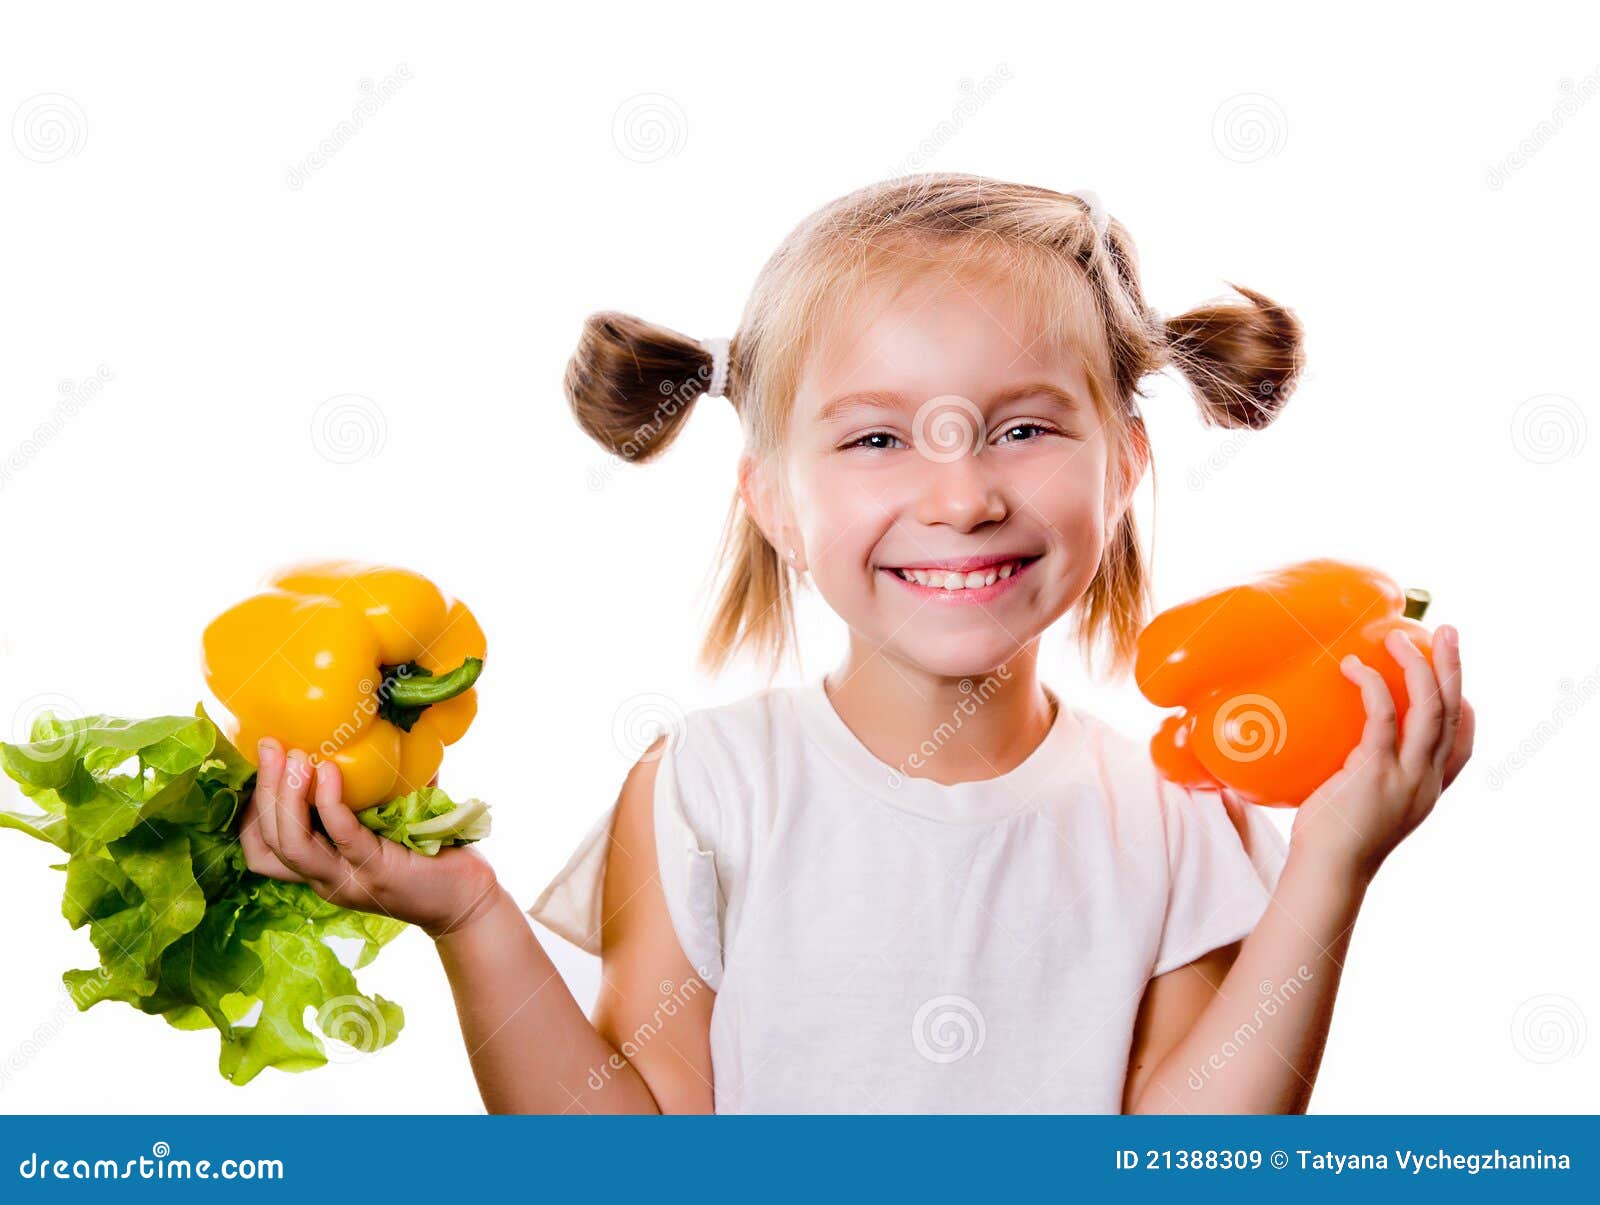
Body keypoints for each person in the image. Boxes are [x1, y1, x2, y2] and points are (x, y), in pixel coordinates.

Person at [240, 173, 1474, 1113]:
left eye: (1024, 427)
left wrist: (1332, 865)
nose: (961, 497)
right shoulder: (709, 786)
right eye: (876, 440)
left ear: (1126, 466)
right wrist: (471, 921)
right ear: (770, 496)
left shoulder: (1174, 808)